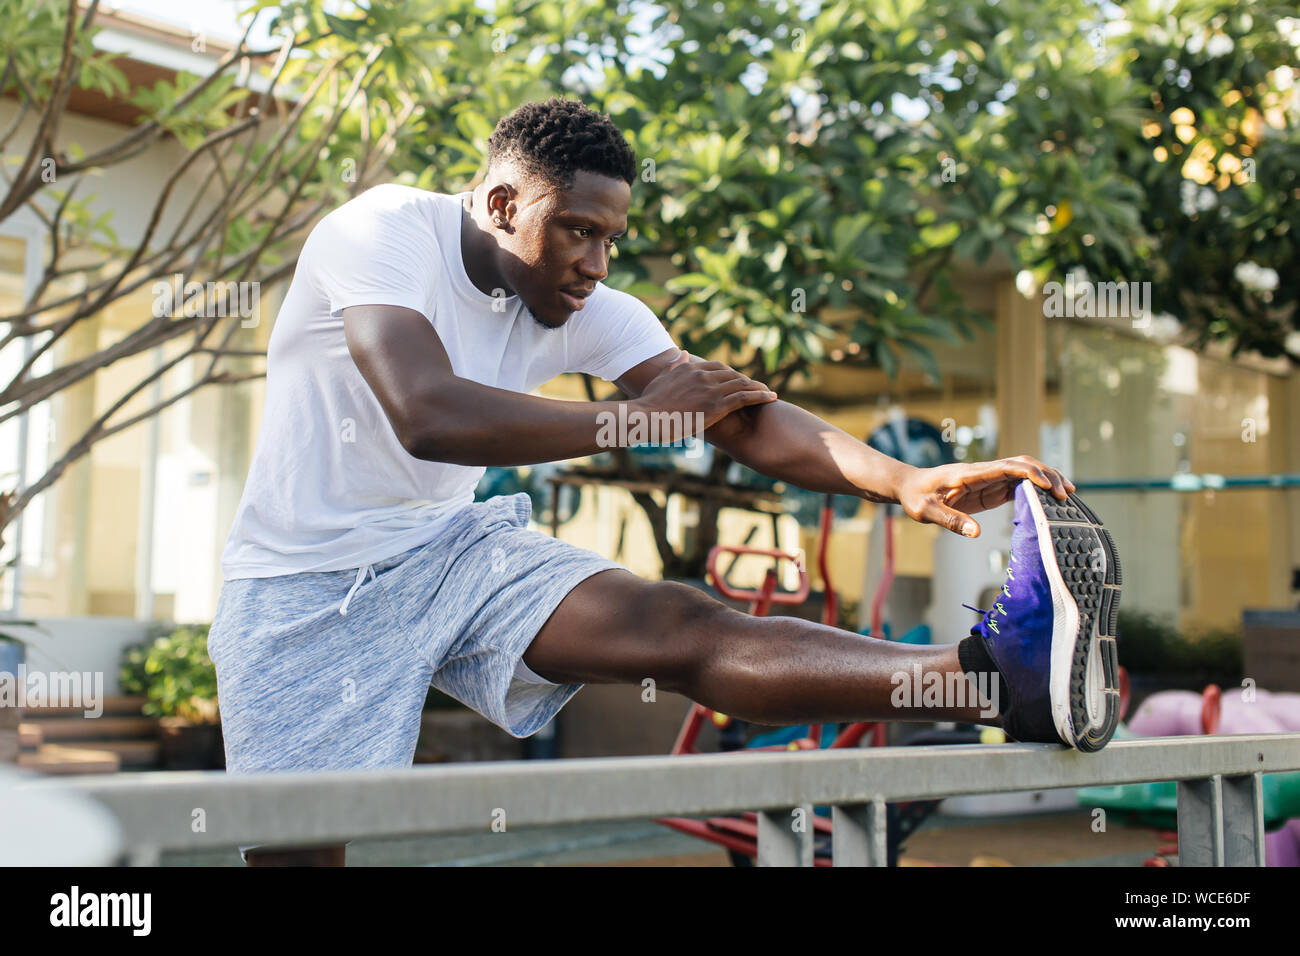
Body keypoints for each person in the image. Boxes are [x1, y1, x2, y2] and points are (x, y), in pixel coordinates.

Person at [210, 97, 1121, 866]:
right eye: (577, 231)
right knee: (300, 852)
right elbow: (429, 412)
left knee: (680, 623)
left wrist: (904, 480)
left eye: (611, 238)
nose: (597, 264)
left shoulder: (583, 304)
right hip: (300, 587)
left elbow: (742, 418)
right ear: (498, 202)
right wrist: (639, 420)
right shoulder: (379, 234)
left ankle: (988, 684)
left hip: (449, 553)